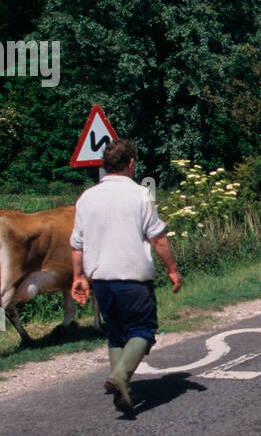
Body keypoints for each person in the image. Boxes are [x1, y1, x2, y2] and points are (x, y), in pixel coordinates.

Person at [70, 139, 182, 414]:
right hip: (133, 278)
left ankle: (123, 389)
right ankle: (120, 377)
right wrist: (172, 270)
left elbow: (77, 244)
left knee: (117, 333)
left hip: (102, 280)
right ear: (131, 163)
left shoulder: (87, 197)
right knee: (143, 329)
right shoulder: (140, 195)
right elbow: (158, 239)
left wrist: (79, 277)